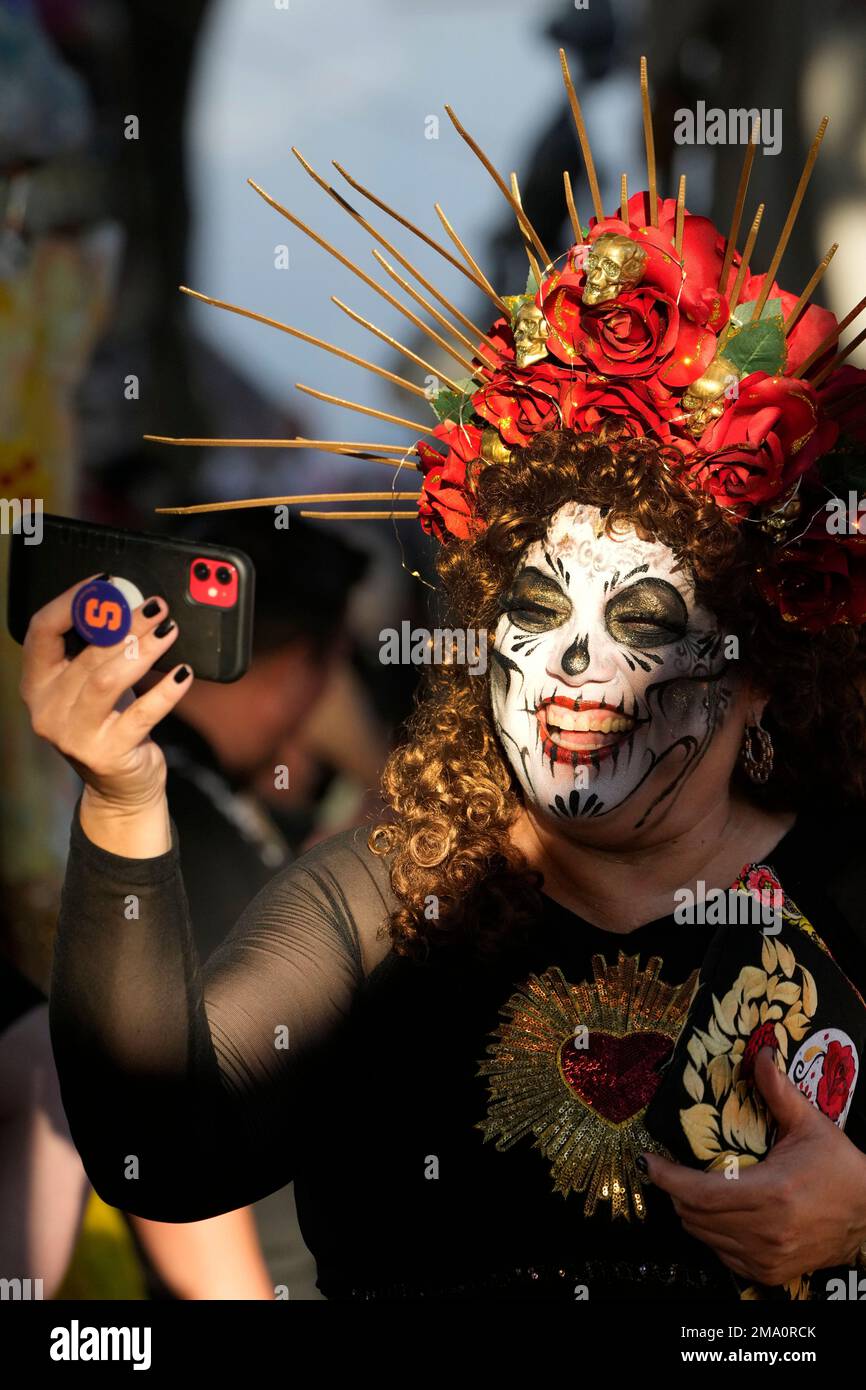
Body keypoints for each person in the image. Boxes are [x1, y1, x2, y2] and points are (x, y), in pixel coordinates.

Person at [19, 53, 866, 1300]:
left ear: (755, 669)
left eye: (640, 615)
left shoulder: (845, 874)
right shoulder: (393, 900)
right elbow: (162, 1149)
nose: (572, 661)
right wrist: (120, 800)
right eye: (535, 604)